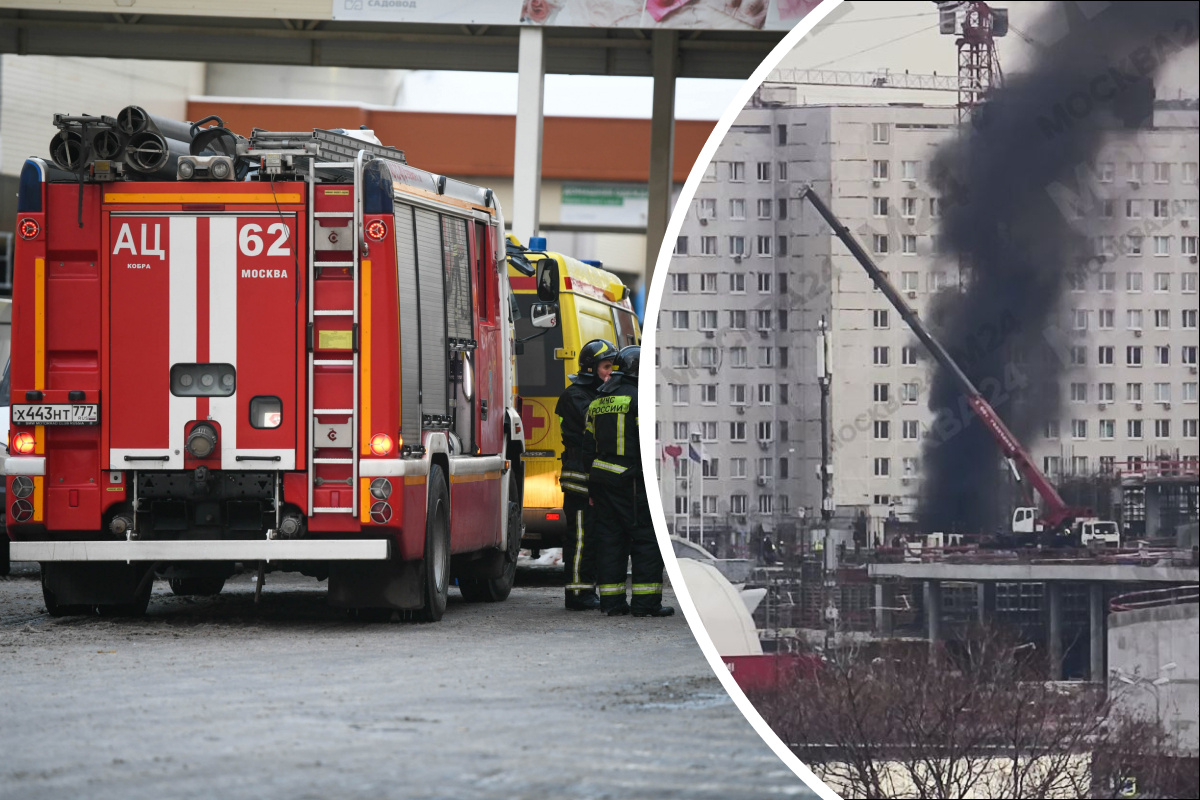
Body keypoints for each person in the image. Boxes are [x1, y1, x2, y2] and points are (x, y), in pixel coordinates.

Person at [585, 345, 674, 617]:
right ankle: (645, 604)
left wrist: (591, 485)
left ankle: (611, 603)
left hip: (601, 479)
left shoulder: (597, 400)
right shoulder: (640, 399)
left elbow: (588, 444)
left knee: (610, 541)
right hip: (632, 479)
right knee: (646, 539)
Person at [555, 338, 616, 611]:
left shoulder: (600, 393)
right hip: (579, 479)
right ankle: (578, 594)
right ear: (591, 369)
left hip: (596, 478)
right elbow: (595, 422)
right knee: (581, 538)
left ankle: (589, 589)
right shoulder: (575, 396)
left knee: (597, 538)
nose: (611, 372)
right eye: (606, 366)